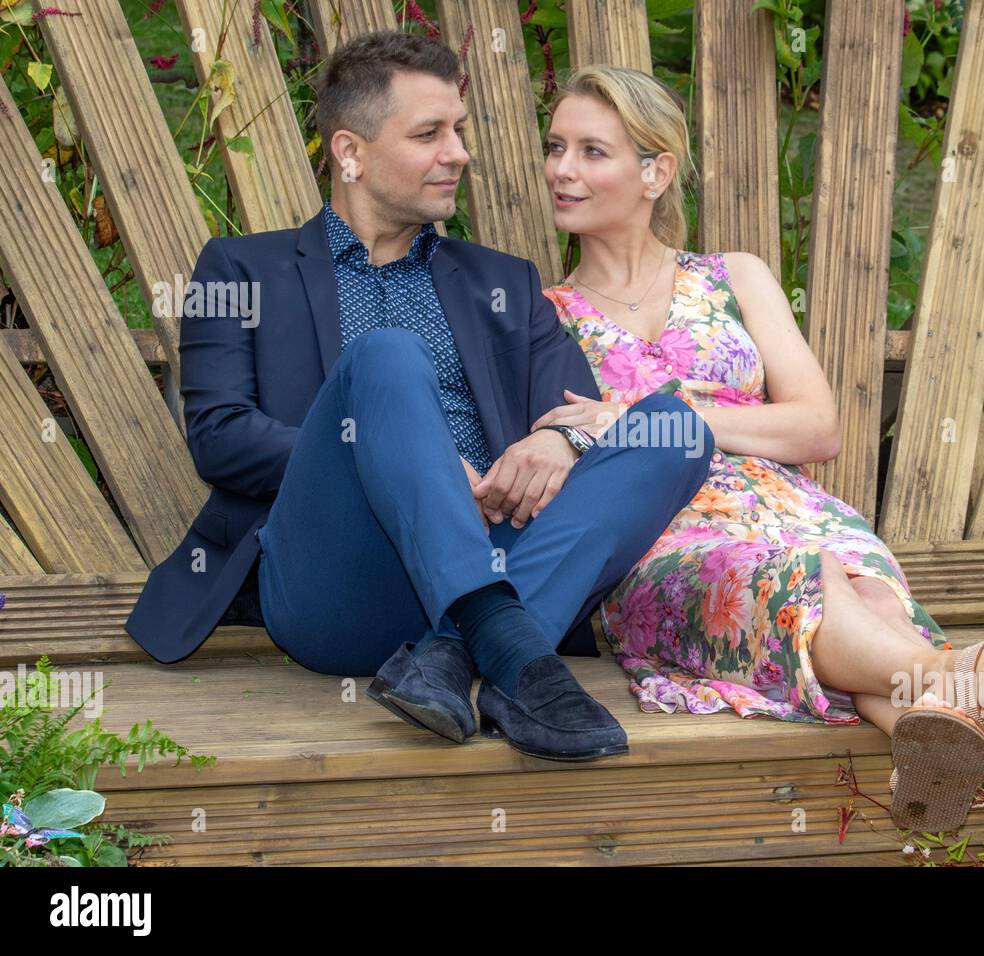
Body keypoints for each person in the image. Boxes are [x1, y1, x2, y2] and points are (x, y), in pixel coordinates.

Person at [125, 33, 715, 764]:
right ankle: (506, 650)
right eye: (430, 133)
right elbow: (219, 434)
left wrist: (561, 442)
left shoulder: (503, 281)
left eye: (459, 130)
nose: (459, 153)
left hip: (508, 562)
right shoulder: (240, 267)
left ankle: (461, 655)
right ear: (351, 152)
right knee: (386, 354)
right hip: (341, 578)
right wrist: (428, 472)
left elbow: (577, 412)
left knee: (675, 430)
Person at [535, 65, 984, 830]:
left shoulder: (736, 278)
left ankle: (930, 745)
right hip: (657, 536)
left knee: (848, 581)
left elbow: (817, 426)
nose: (562, 169)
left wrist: (657, 414)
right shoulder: (540, 316)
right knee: (800, 585)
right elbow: (552, 453)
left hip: (793, 508)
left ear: (655, 171)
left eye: (591, 151)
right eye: (555, 146)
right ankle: (961, 678)